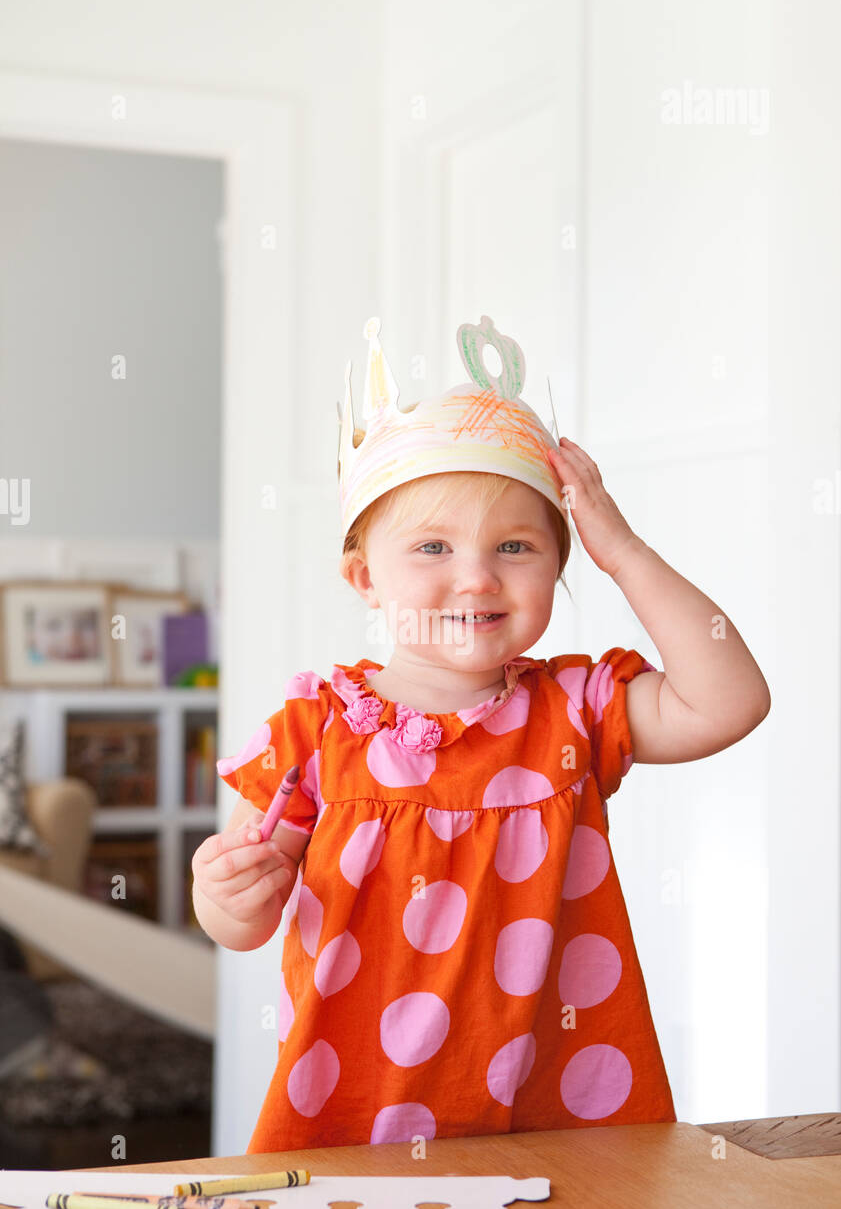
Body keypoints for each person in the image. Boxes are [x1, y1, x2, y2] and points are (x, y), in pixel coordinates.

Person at [192, 315, 771, 1153]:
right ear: (364, 577)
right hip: (358, 1123)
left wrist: (624, 550)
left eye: (515, 546)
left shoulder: (575, 708)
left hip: (564, 1116)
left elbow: (730, 700)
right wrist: (223, 897)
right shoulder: (314, 731)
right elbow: (244, 920)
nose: (476, 575)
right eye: (432, 546)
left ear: (560, 566)